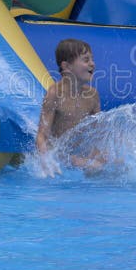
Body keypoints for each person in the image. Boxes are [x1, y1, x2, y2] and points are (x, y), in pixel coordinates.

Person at [35, 38, 103, 176]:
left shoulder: (92, 95)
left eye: (92, 59)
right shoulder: (55, 94)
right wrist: (45, 160)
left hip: (80, 153)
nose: (92, 64)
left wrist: (97, 156)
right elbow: (42, 135)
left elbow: (99, 134)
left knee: (119, 164)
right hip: (60, 155)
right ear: (66, 66)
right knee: (95, 167)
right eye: (86, 60)